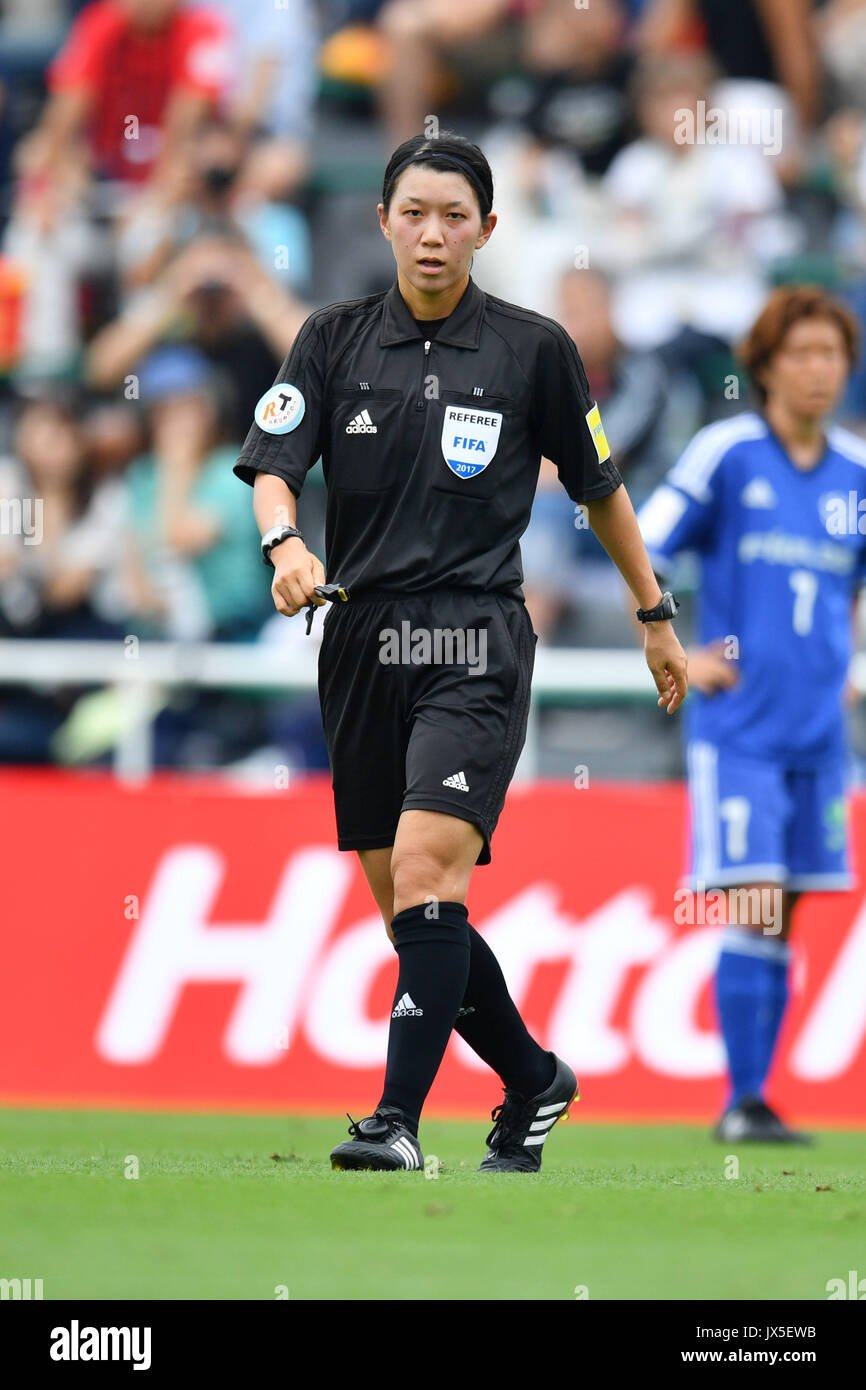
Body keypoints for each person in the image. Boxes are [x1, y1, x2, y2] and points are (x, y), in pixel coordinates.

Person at [233, 131, 688, 1173]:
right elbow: (271, 465)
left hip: (472, 633)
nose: (432, 234)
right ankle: (532, 1080)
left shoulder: (532, 349)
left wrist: (651, 613)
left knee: (436, 868)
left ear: (488, 229)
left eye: (453, 217)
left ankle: (395, 1122)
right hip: (356, 637)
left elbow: (599, 489)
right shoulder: (330, 338)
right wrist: (285, 540)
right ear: (381, 220)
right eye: (413, 213)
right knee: (409, 905)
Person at [637, 285, 864, 1143]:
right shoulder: (727, 453)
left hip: (818, 737)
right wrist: (678, 647)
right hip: (740, 734)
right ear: (765, 366)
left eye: (832, 355)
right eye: (801, 354)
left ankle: (757, 1099)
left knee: (790, 904)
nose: (818, 370)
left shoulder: (856, 477)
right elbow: (644, 539)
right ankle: (740, 1099)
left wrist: (850, 659)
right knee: (755, 899)